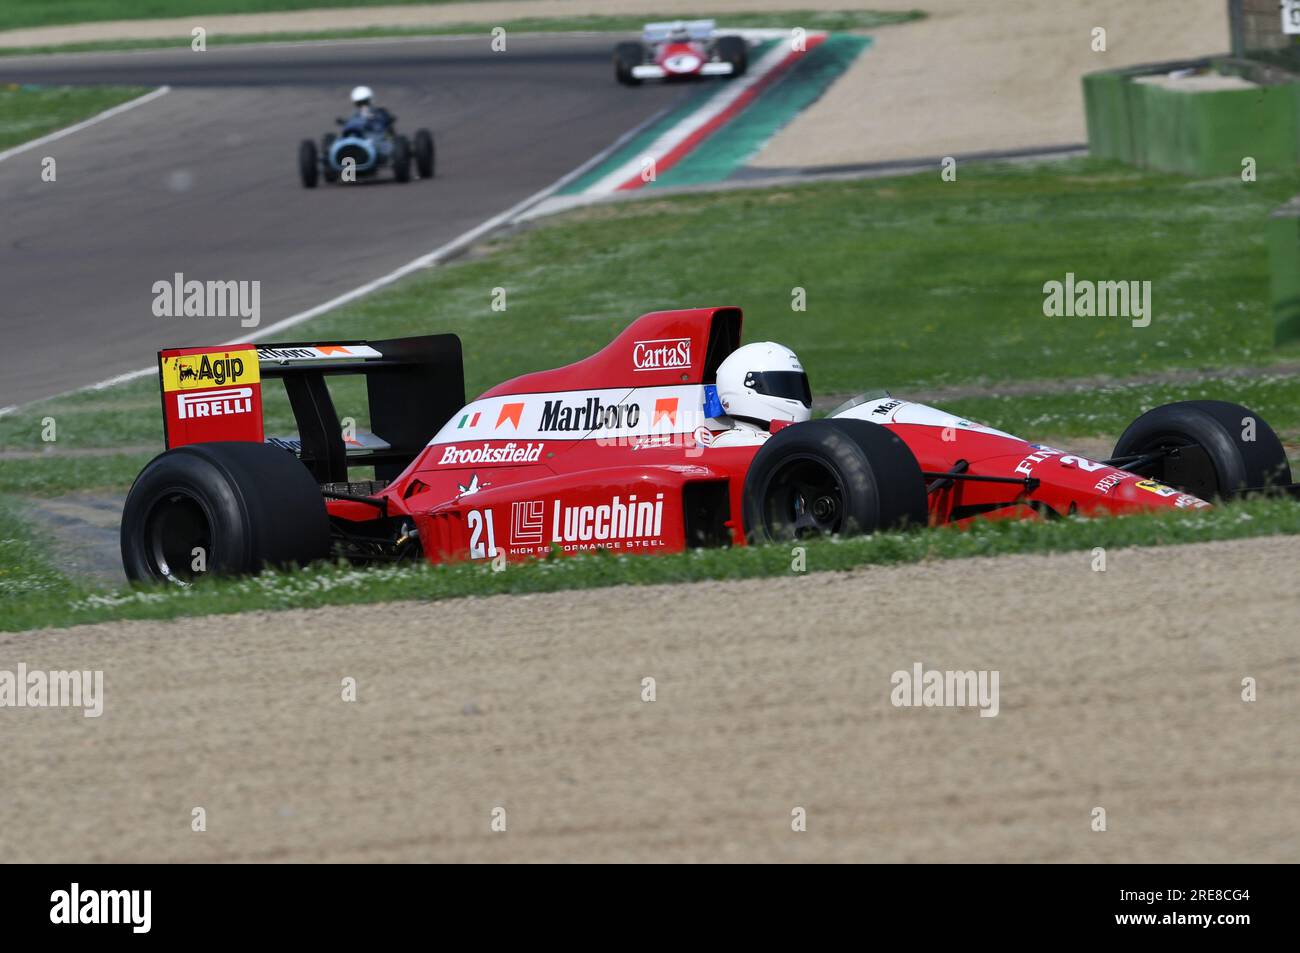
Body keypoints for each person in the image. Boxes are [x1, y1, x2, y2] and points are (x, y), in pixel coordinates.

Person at [708, 342, 812, 446]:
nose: (792, 392)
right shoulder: (729, 443)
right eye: (778, 385)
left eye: (794, 386)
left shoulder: (789, 438)